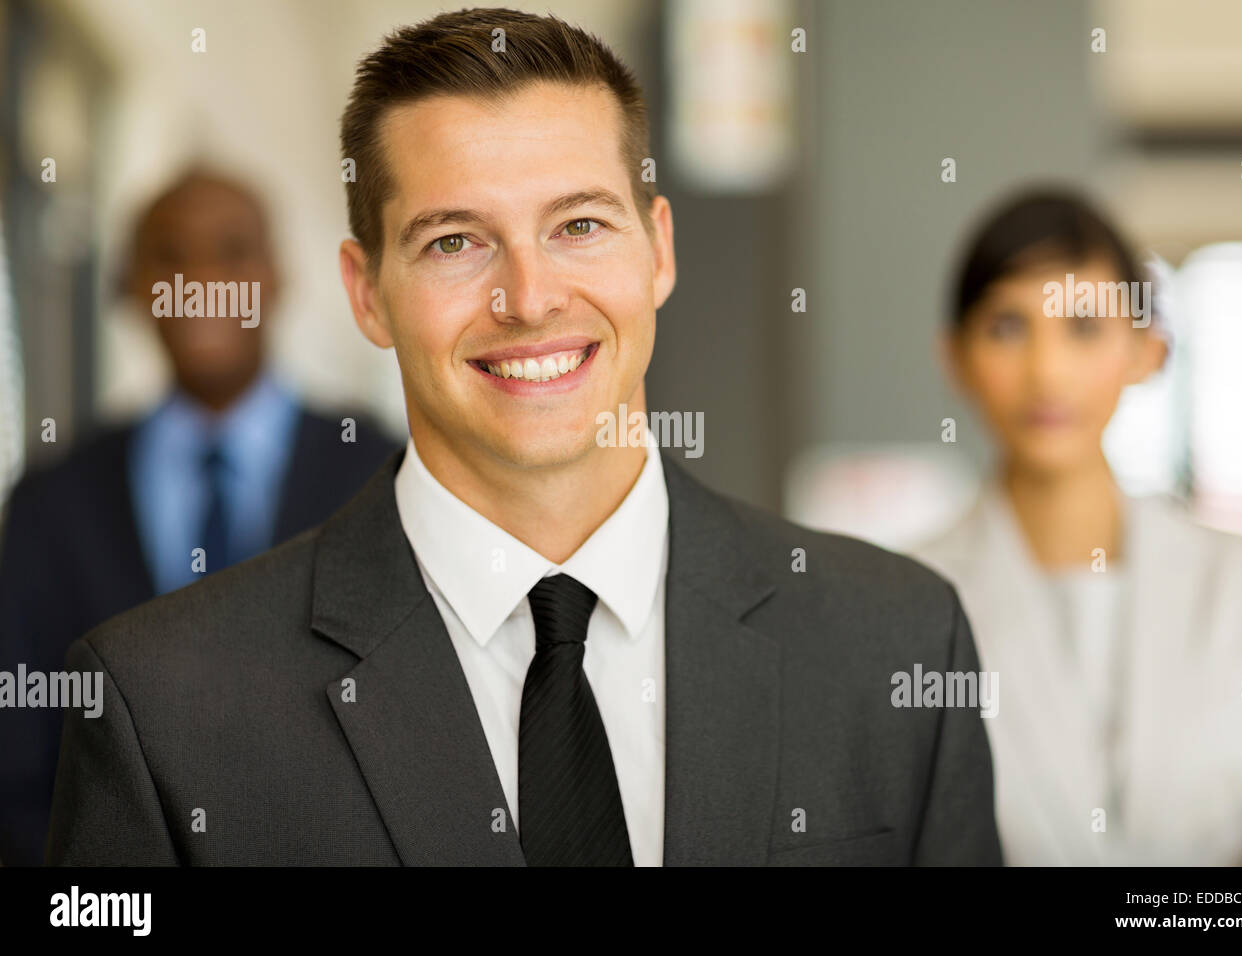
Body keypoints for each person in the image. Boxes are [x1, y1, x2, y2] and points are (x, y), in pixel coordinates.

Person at [43, 8, 1001, 867]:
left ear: (658, 249)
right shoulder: (163, 707)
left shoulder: (896, 646)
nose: (531, 298)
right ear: (366, 290)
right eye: (454, 241)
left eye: (580, 224)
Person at [0, 169, 397, 866]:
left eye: (234, 250)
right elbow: (17, 774)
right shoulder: (50, 504)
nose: (203, 281)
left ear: (278, 276)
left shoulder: (379, 477)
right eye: (171, 256)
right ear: (129, 284)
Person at [912, 188, 1242, 865]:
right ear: (956, 356)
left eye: (1083, 326)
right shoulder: (896, 604)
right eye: (1008, 326)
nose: (1046, 371)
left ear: (1147, 350)